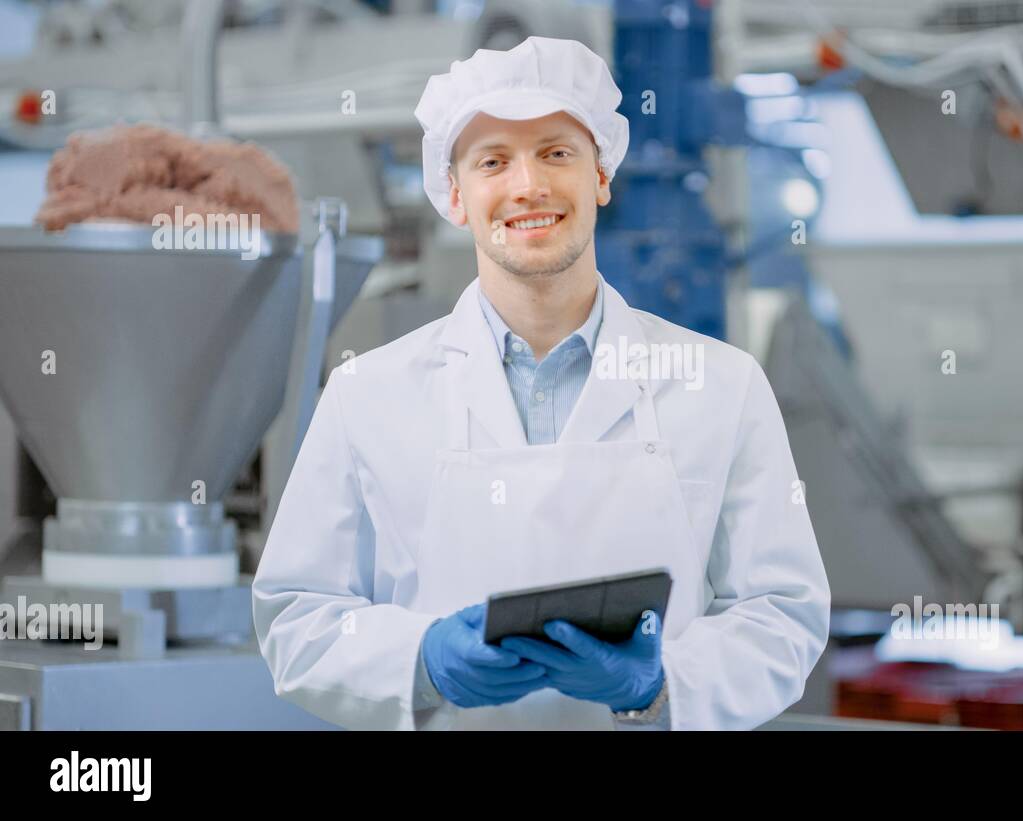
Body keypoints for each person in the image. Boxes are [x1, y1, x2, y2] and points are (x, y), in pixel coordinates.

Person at [252, 36, 830, 730]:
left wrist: (661, 680)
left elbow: (784, 613)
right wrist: (423, 659)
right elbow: (296, 618)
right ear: (456, 194)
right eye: (493, 160)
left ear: (603, 176)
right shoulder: (366, 394)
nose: (528, 185)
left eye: (558, 152)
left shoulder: (723, 385)